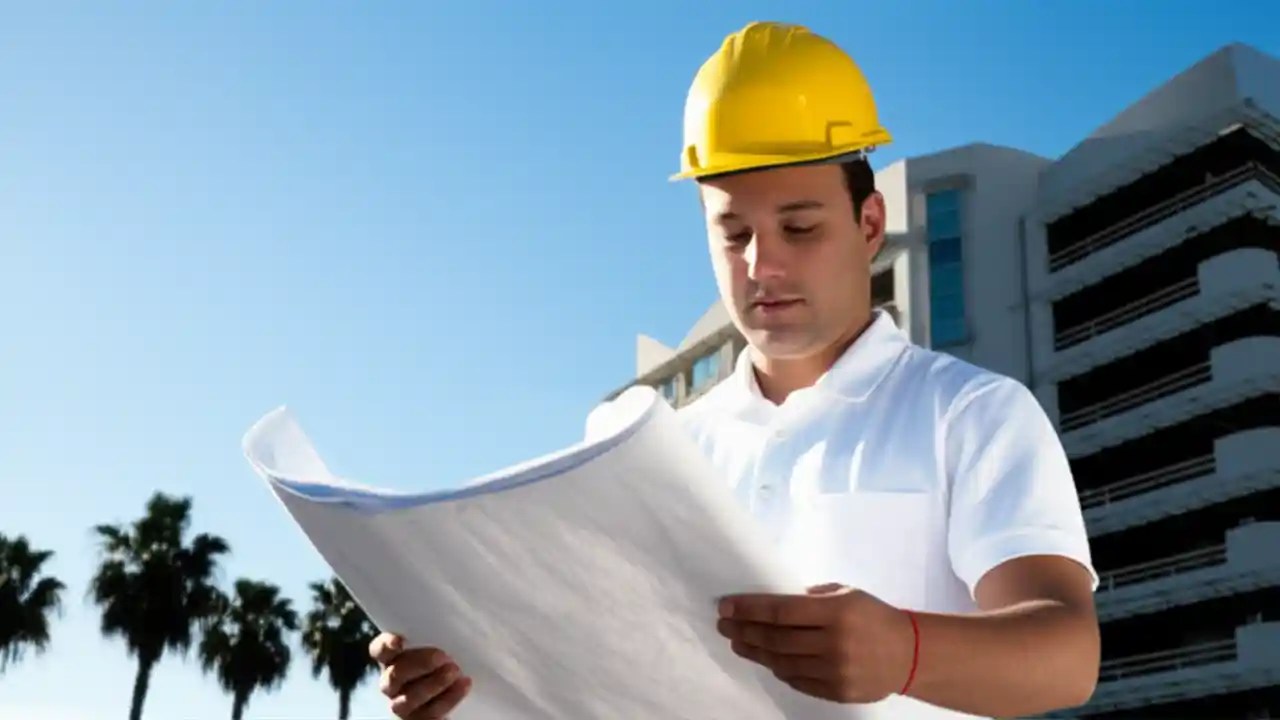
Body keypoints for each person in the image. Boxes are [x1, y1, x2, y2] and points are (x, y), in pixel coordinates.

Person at [369, 21, 1101, 720]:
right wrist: (469, 686)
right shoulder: (661, 450)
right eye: (734, 233)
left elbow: (1069, 656)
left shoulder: (972, 414)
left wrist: (906, 652)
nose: (763, 265)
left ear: (869, 225)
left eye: (800, 227)